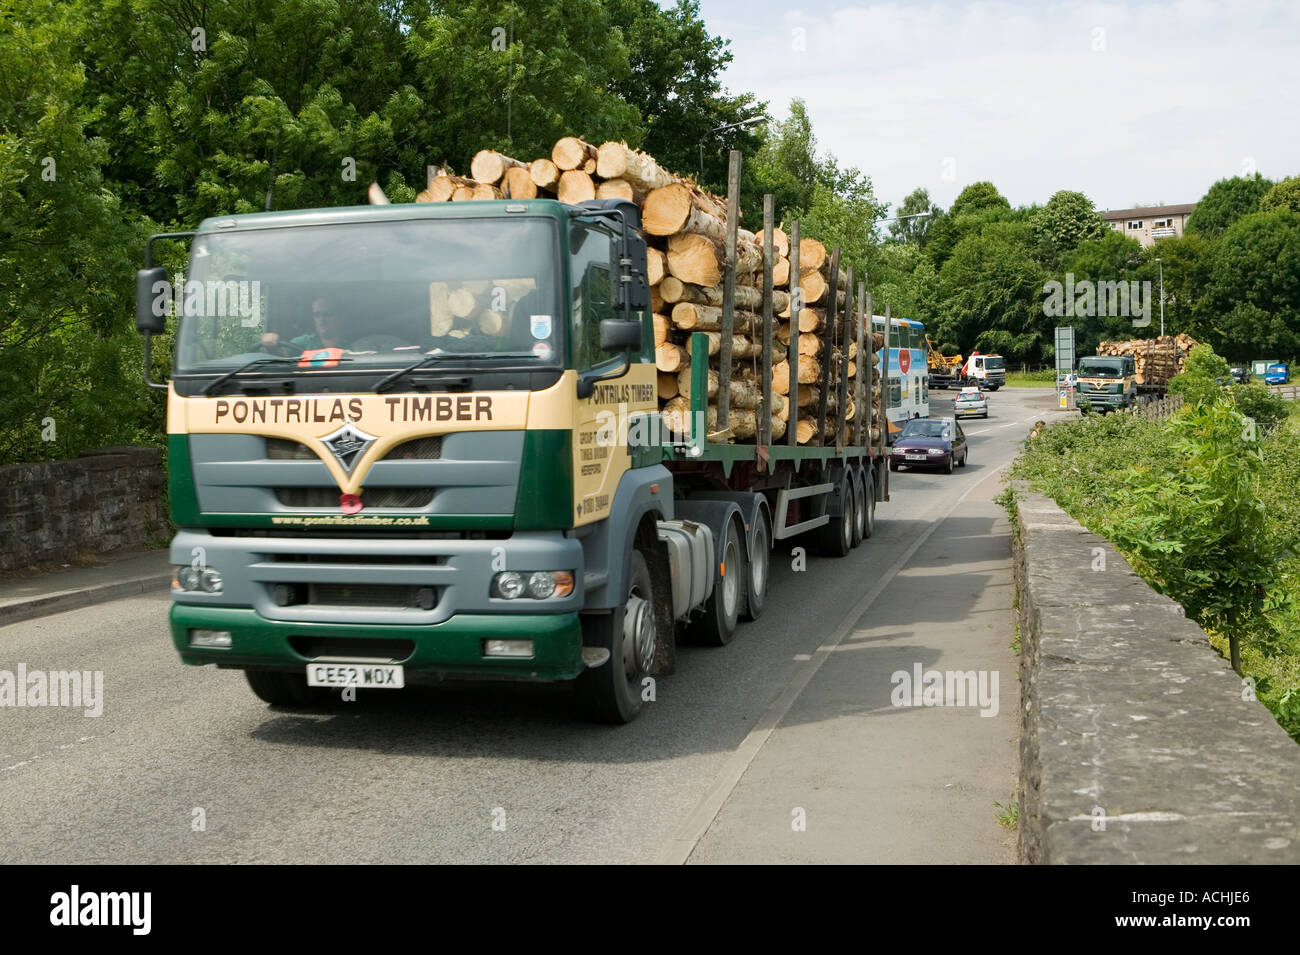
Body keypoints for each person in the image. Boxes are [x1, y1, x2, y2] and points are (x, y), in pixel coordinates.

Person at [261, 297, 348, 353]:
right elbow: (282, 357)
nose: (322, 319)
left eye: (327, 314)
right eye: (317, 315)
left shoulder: (353, 344)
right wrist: (271, 346)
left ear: (339, 317)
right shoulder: (302, 342)